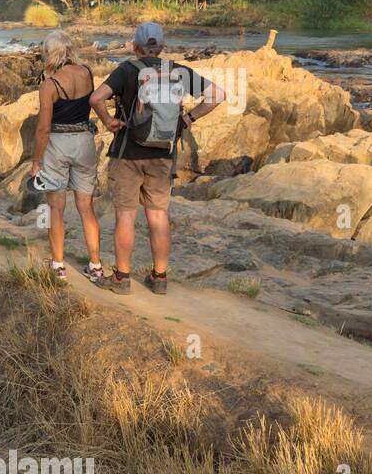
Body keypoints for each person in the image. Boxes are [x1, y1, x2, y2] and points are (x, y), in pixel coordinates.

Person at [88, 22, 226, 295]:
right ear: (162, 46)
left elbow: (96, 98)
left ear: (135, 46)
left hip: (127, 153)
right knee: (158, 215)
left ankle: (121, 278)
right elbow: (218, 95)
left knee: (126, 216)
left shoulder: (128, 70)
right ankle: (160, 277)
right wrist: (186, 119)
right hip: (163, 154)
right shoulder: (179, 71)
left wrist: (108, 121)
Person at [29, 30, 104, 284]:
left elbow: (43, 128)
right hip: (84, 141)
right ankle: (95, 266)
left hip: (57, 146)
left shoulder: (49, 86)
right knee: (86, 208)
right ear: (70, 50)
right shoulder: (86, 73)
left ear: (49, 54)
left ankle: (58, 266)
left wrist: (36, 161)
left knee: (56, 208)